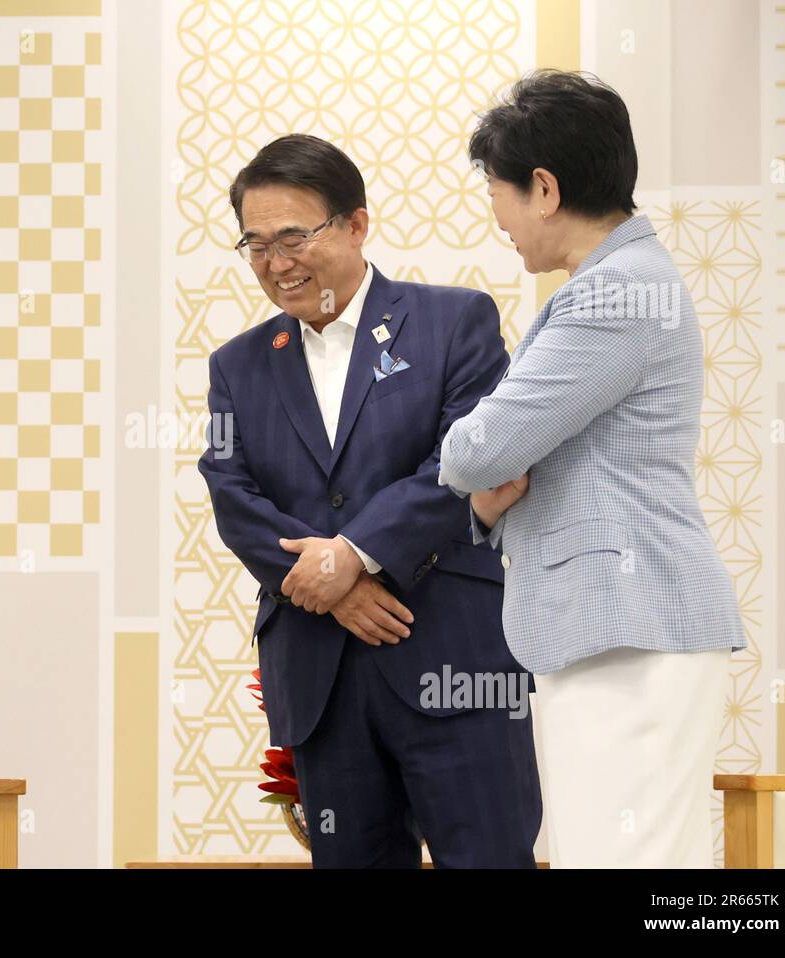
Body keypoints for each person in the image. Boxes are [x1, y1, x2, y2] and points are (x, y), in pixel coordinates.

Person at [199, 133, 541, 868]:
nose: (276, 263)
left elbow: (466, 463)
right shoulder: (237, 366)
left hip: (453, 660)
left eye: (294, 236)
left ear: (356, 224)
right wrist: (332, 590)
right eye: (254, 244)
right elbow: (232, 495)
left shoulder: (455, 322)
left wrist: (355, 559)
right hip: (322, 679)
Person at [440, 70, 745, 867]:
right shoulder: (615, 285)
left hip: (629, 629)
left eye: (498, 194)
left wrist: (474, 450)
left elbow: (477, 450)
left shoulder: (617, 296)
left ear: (543, 188)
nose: (498, 219)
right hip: (612, 631)